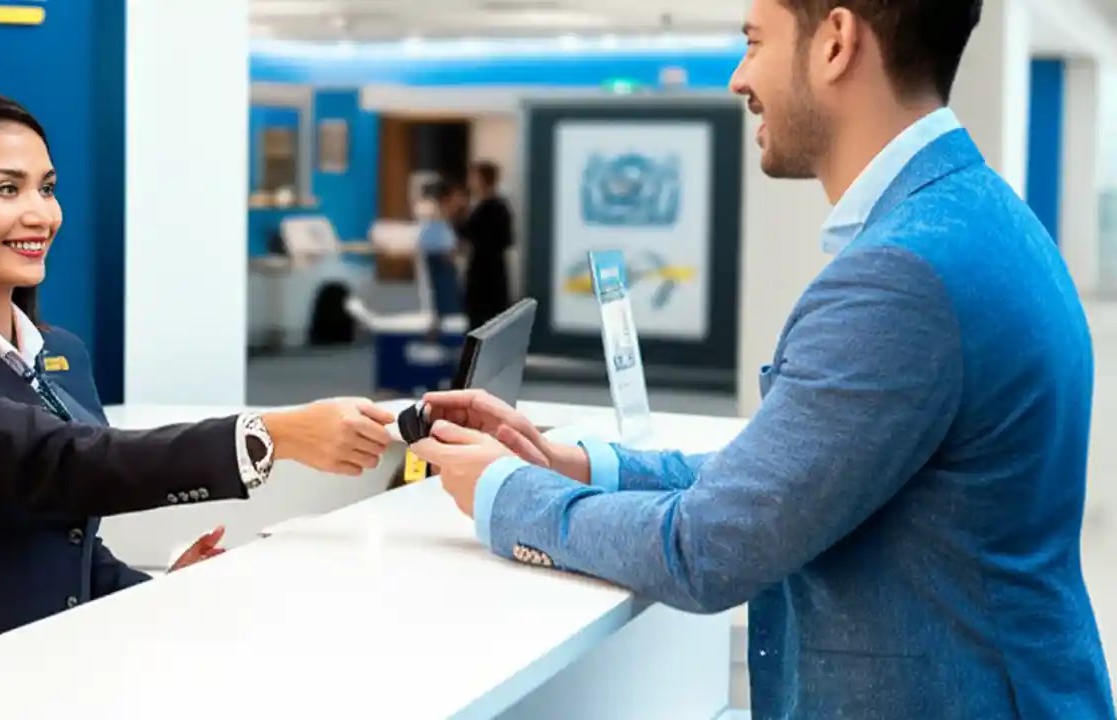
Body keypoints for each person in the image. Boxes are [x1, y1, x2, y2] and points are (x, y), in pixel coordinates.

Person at [410, 1, 1116, 717]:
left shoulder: (903, 274)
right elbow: (786, 481)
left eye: (753, 43)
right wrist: (581, 466)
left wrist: (503, 492)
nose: (738, 78)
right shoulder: (973, 219)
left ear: (835, 43)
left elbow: (710, 548)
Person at [0, 87, 396, 685]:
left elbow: (64, 541)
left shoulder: (60, 354)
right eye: (7, 189)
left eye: (47, 188)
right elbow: (59, 465)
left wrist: (160, 592)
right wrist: (270, 435)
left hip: (51, 680)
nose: (41, 214)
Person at [457, 161, 513, 330]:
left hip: (487, 275)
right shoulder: (480, 207)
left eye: (474, 177)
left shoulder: (494, 209)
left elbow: (496, 239)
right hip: (482, 273)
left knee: (486, 322)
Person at [416, 179, 465, 321]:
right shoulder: (434, 230)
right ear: (446, 199)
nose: (459, 202)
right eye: (456, 197)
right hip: (442, 304)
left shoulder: (446, 225)